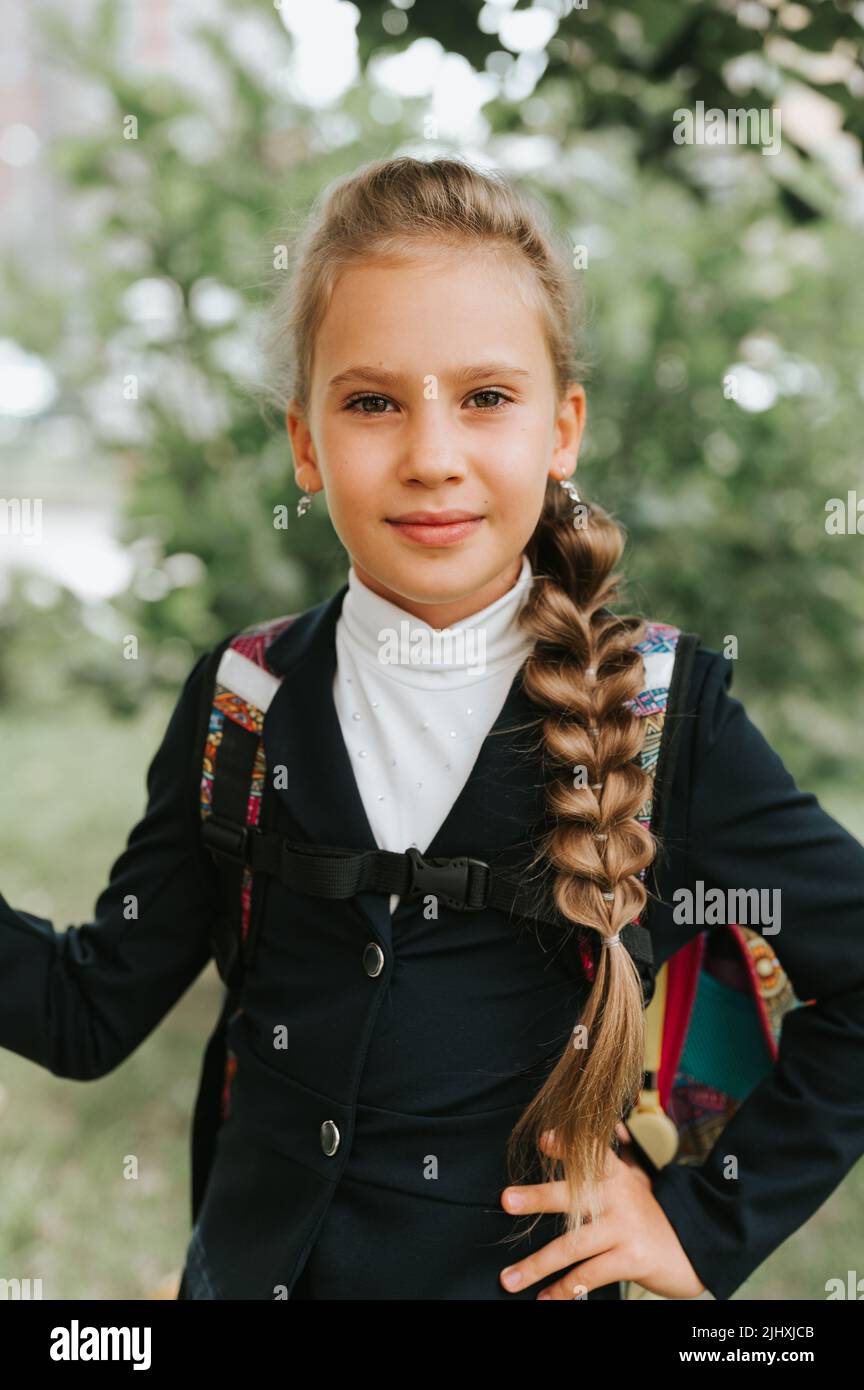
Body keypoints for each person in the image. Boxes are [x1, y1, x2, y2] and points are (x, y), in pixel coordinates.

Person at [2, 156, 863, 1302]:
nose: (431, 455)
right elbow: (87, 1008)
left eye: (486, 398)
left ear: (561, 431)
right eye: (370, 402)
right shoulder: (242, 701)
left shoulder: (663, 714)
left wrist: (708, 1228)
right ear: (305, 445)